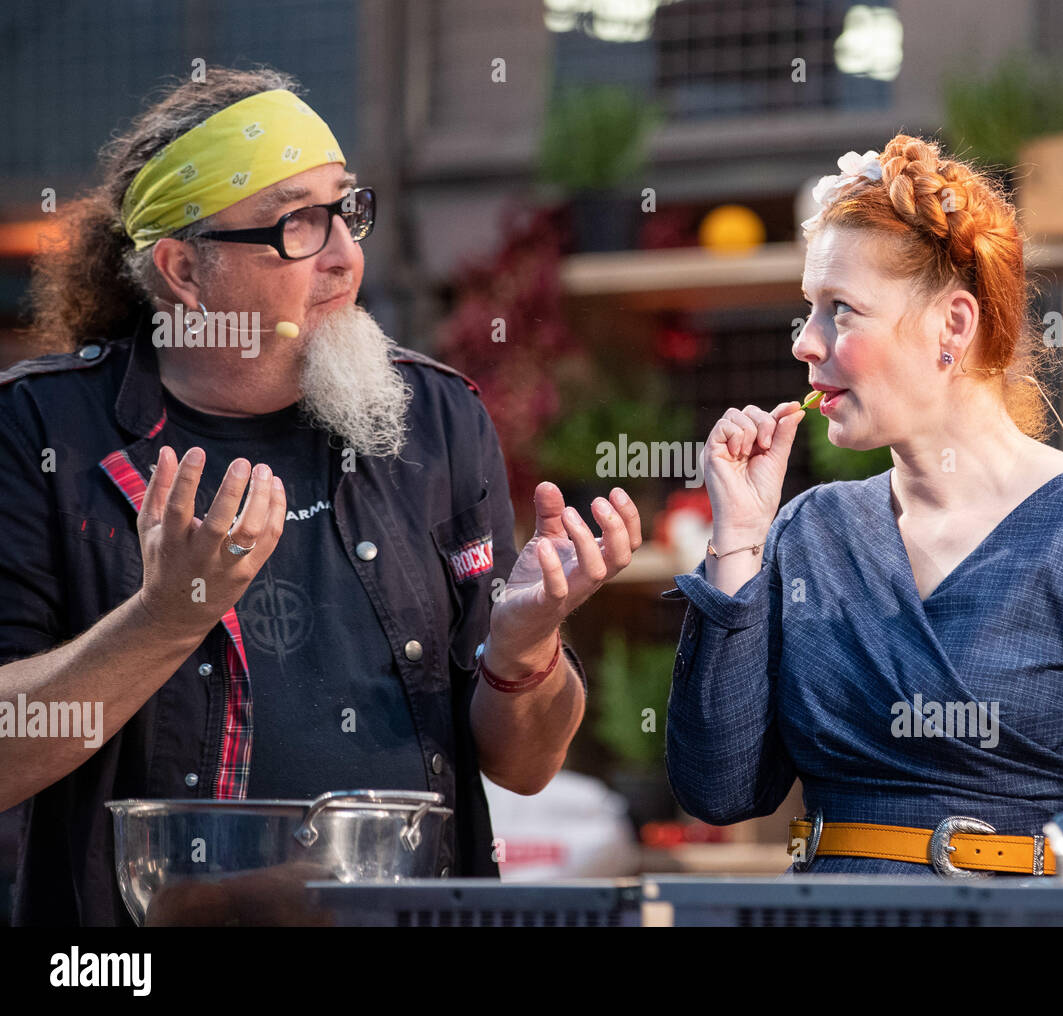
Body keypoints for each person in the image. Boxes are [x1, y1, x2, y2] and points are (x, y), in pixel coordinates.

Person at [0, 67, 643, 926]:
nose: (346, 255)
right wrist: (165, 616)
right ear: (185, 269)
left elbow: (524, 769)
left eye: (346, 208)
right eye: (297, 223)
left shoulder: (436, 420)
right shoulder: (42, 431)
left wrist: (524, 653)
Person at [663, 135, 1063, 879]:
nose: (805, 344)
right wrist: (739, 545)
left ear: (952, 325)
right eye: (807, 309)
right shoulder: (806, 532)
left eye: (841, 311)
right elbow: (718, 790)